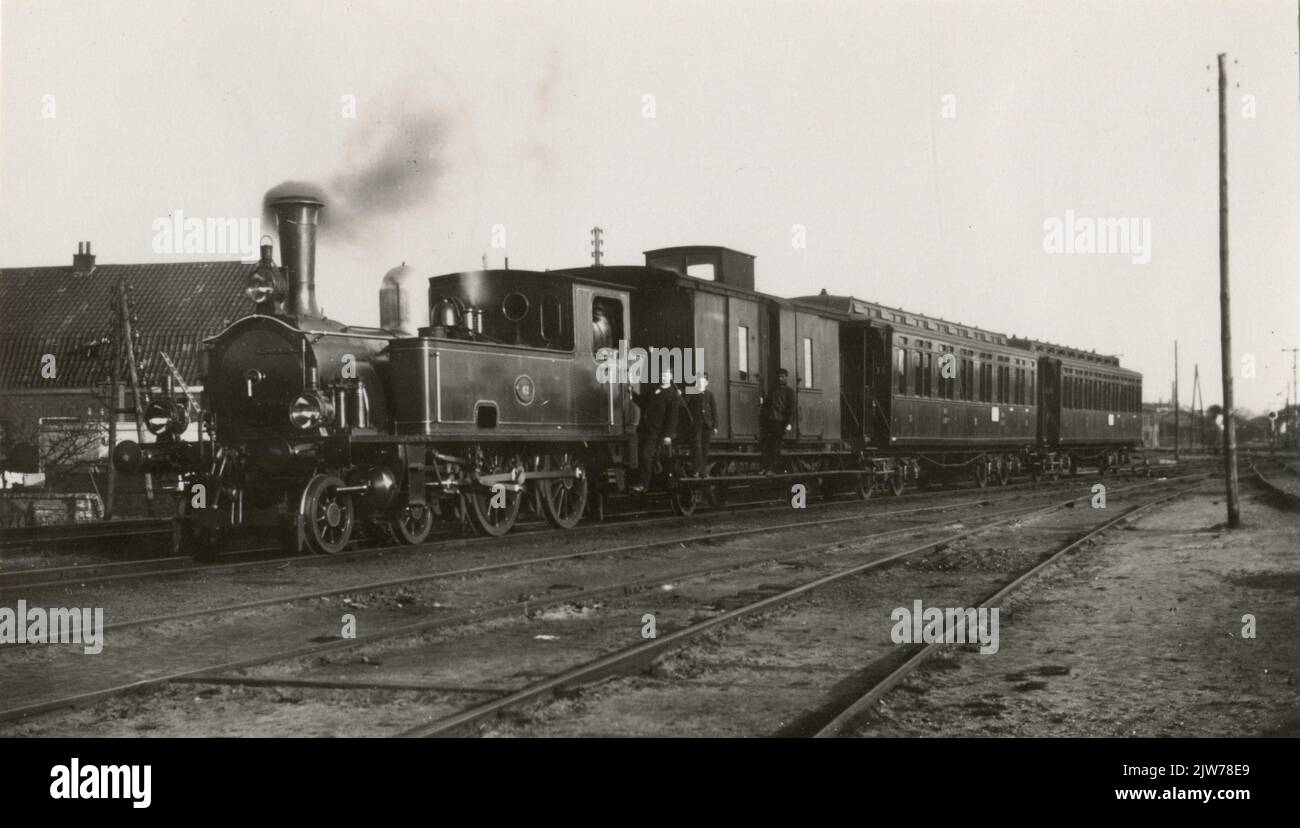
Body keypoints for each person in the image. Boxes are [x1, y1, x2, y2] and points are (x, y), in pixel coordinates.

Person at [631, 369, 681, 492]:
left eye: (666, 375)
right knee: (642, 457)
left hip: (656, 432)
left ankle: (644, 485)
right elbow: (643, 402)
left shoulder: (673, 395)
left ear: (671, 376)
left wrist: (668, 435)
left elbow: (672, 417)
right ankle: (643, 482)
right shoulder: (655, 390)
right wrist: (632, 394)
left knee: (646, 456)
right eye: (662, 375)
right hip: (644, 429)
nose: (663, 377)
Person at [760, 368, 796, 473]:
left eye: (782, 377)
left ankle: (771, 468)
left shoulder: (790, 392)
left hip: (780, 422)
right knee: (768, 445)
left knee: (775, 445)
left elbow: (791, 409)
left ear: (786, 378)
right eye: (779, 376)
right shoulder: (773, 390)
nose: (780, 378)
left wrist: (789, 423)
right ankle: (766, 468)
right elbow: (768, 403)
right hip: (771, 421)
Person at [686, 372, 718, 477]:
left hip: (707, 425)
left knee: (705, 449)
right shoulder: (693, 394)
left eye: (703, 380)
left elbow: (714, 411)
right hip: (697, 425)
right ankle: (696, 470)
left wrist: (715, 426)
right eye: (699, 380)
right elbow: (685, 405)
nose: (701, 382)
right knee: (697, 447)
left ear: (707, 382)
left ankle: (703, 471)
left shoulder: (710, 394)